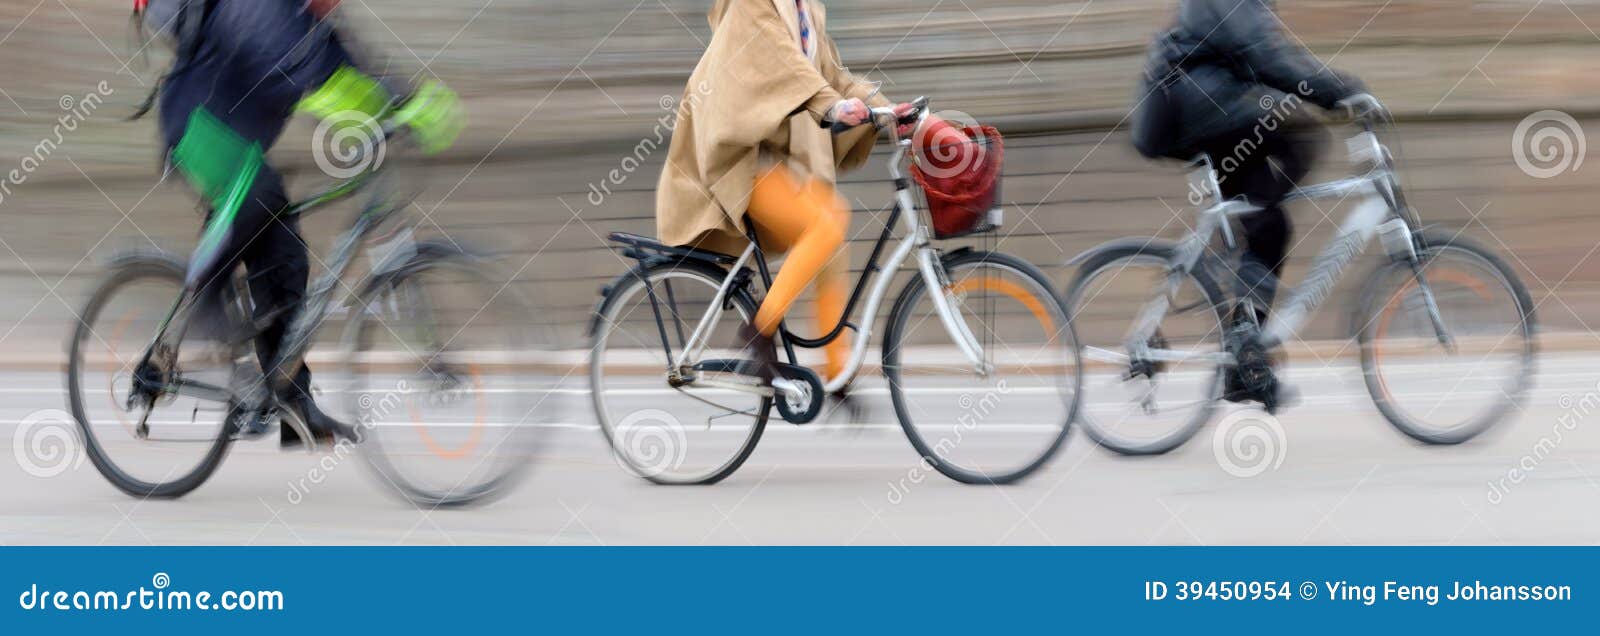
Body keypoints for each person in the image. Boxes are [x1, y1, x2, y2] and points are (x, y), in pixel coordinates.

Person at [133, 0, 464, 446]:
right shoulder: (261, 9)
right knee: (258, 194)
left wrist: (405, 105)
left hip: (242, 147)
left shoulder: (319, 27)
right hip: (197, 129)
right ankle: (207, 303)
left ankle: (292, 402)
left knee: (287, 259)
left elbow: (360, 74)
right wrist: (391, 110)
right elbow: (307, 73)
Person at [1128, 0, 1372, 408]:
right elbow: (1266, 57)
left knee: (1271, 224)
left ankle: (1245, 367)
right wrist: (1340, 90)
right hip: (1200, 107)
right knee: (1299, 138)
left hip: (1210, 109)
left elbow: (1269, 56)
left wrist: (1331, 87)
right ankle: (1244, 273)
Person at [656, 0, 911, 387]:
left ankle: (837, 375)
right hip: (739, 160)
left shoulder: (807, 8)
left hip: (773, 163)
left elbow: (831, 77)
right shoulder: (750, 5)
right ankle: (757, 334)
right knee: (824, 224)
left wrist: (889, 111)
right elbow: (783, 66)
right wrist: (833, 106)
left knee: (833, 232)